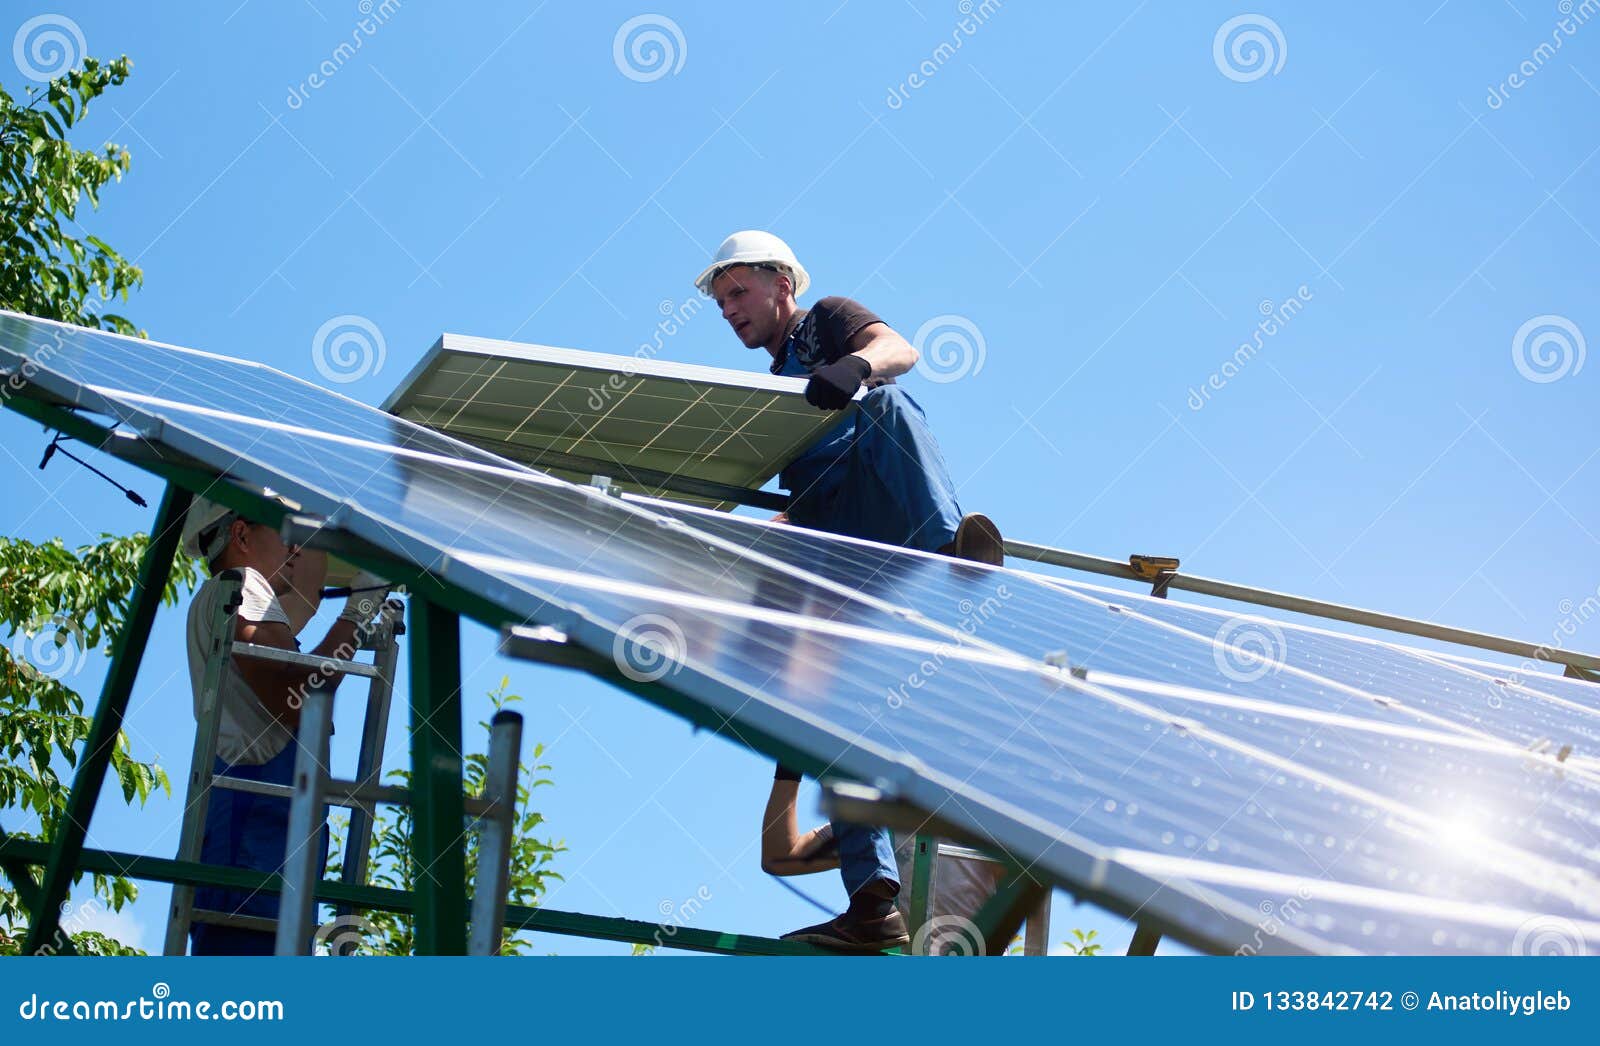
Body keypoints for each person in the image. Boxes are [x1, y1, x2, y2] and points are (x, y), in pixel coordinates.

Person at [696, 229, 1004, 951]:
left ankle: (949, 556)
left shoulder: (828, 322)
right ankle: (872, 905)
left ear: (782, 283)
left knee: (889, 405)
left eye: (739, 293)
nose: (729, 310)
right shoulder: (768, 391)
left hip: (882, 508)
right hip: (832, 532)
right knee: (830, 691)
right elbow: (781, 855)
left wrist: (856, 367)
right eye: (720, 302)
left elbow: (901, 350)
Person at [180, 496, 391, 954]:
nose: (297, 548)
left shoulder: (226, 597)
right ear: (241, 534)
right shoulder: (244, 584)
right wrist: (357, 614)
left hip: (257, 840)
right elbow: (299, 698)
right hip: (253, 844)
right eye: (287, 533)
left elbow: (301, 611)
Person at [760, 768, 1004, 954]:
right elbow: (780, 856)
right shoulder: (874, 827)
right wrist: (789, 770)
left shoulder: (977, 819)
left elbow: (1020, 886)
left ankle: (874, 913)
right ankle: (873, 913)